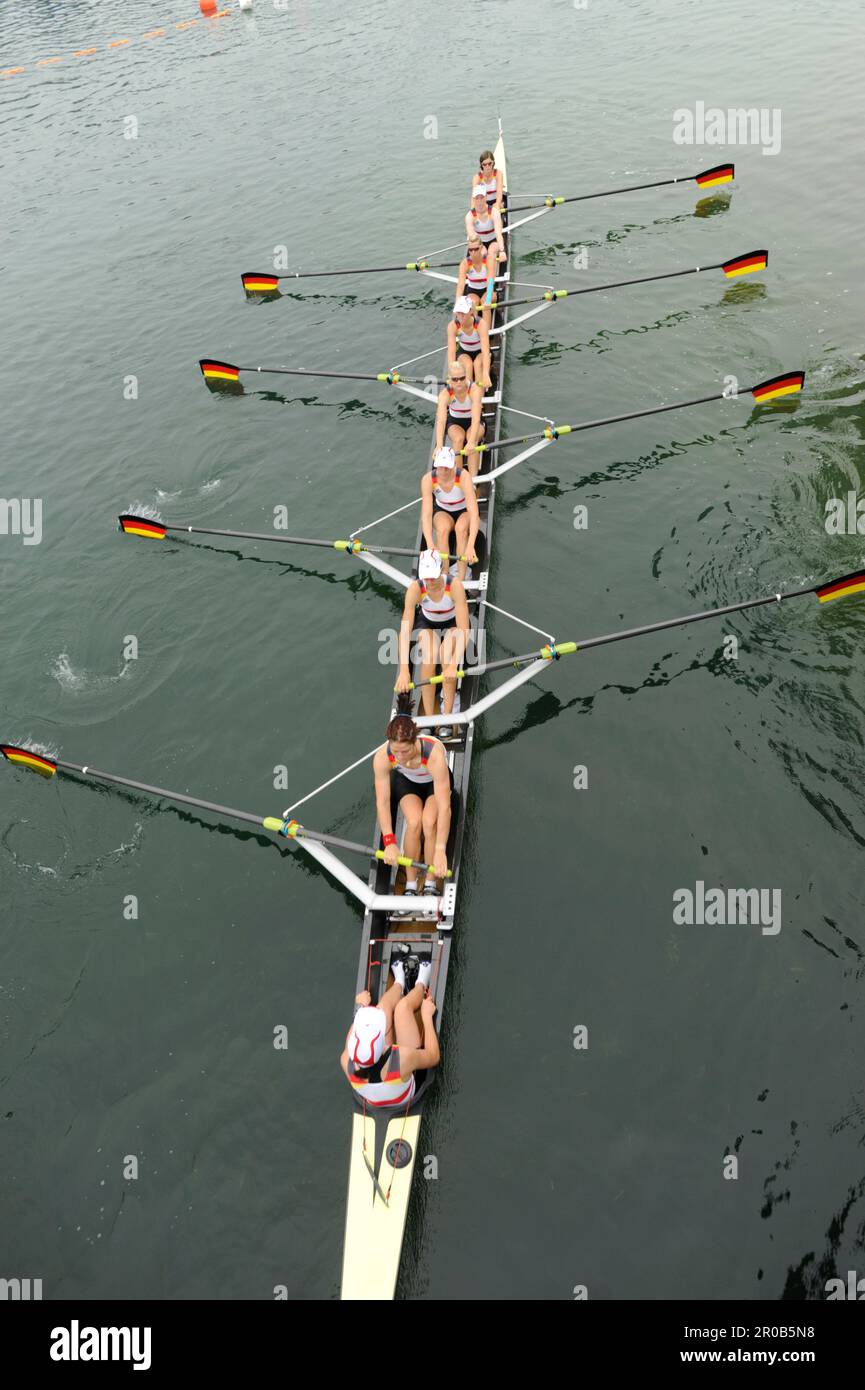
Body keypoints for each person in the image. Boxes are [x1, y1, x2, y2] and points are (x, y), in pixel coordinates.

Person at [373, 710, 453, 897]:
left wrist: (440, 850)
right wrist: (389, 842)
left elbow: (445, 809)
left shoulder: (432, 755)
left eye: (405, 751)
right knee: (414, 822)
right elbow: (383, 802)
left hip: (433, 783)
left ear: (415, 741)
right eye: (396, 751)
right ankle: (410, 884)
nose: (400, 757)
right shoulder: (382, 758)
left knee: (429, 822)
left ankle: (430, 882)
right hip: (407, 782)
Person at [341, 957, 439, 1109]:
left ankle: (399, 982)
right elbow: (433, 1057)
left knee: (383, 1007)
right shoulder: (403, 1058)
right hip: (403, 1084)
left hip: (383, 1085)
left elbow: (356, 1030)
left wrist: (363, 1007)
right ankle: (421, 984)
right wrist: (426, 1017)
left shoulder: (345, 1060)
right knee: (402, 1008)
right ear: (383, 1045)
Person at [394, 550, 470, 737]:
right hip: (427, 623)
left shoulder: (454, 586)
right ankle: (428, 720)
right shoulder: (415, 589)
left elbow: (464, 629)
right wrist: (404, 670)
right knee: (429, 655)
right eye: (426, 577)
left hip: (452, 624)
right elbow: (405, 632)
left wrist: (452, 666)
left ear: (441, 570)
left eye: (433, 576)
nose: (430, 582)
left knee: (446, 655)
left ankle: (447, 717)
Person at [421, 445, 479, 581]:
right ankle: (445, 573)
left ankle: (461, 579)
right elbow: (426, 515)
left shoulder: (463, 476)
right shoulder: (428, 480)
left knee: (461, 529)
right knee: (441, 529)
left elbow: (474, 514)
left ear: (453, 464)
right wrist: (430, 543)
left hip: (464, 511)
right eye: (440, 467)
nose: (443, 471)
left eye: (447, 467)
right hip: (443, 511)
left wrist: (470, 545)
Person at [435, 363, 485, 477]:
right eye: (455, 379)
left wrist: (471, 442)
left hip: (474, 422)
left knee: (472, 437)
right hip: (454, 422)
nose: (459, 382)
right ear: (449, 379)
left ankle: (473, 479)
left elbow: (476, 419)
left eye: (462, 378)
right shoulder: (445, 394)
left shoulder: (474, 390)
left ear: (466, 376)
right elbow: (441, 421)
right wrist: (439, 446)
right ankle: (459, 477)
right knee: (458, 439)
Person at [447, 295, 491, 388]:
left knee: (478, 364)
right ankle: (467, 391)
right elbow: (451, 352)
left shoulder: (481, 324)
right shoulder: (452, 326)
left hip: (480, 352)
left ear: (471, 311)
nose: (460, 316)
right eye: (458, 312)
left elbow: (485, 351)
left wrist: (486, 373)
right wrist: (451, 373)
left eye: (463, 312)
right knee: (467, 365)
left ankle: (479, 392)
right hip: (463, 352)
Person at [455, 235, 496, 321]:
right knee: (472, 303)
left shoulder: (489, 259)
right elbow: (461, 285)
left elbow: (490, 281)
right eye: (470, 250)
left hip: (488, 290)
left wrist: (488, 299)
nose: (473, 252)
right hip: (472, 291)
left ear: (481, 248)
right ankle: (473, 327)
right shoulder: (465, 263)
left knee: (484, 302)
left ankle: (486, 329)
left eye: (476, 249)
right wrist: (458, 302)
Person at [464, 186, 506, 265]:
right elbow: (472, 238)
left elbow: (498, 234)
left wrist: (502, 251)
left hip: (494, 240)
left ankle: (491, 265)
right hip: (479, 242)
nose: (479, 201)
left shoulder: (494, 212)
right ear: (473, 199)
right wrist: (479, 251)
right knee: (482, 253)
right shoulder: (469, 216)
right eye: (477, 198)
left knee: (491, 251)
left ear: (486, 197)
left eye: (482, 197)